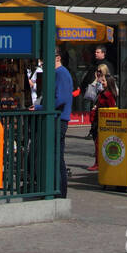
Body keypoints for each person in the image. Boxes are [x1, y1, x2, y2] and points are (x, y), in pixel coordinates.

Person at [87, 64, 118, 171]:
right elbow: (89, 95)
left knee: (99, 143)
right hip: (98, 120)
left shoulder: (108, 95)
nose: (102, 82)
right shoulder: (102, 92)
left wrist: (97, 109)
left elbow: (110, 108)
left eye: (104, 81)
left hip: (102, 121)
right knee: (97, 142)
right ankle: (98, 162)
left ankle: (99, 163)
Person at [52, 50, 73, 198]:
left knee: (57, 155)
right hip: (59, 118)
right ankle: (58, 189)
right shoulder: (60, 73)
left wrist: (41, 107)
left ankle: (60, 190)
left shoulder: (61, 73)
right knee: (56, 155)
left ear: (58, 58)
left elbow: (61, 99)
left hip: (59, 120)